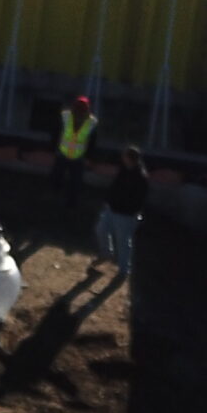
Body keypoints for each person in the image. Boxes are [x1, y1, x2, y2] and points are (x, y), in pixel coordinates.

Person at [97, 145, 149, 278]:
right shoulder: (124, 170)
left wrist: (131, 212)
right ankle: (106, 254)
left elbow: (139, 198)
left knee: (123, 242)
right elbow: (115, 187)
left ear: (130, 159)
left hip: (125, 214)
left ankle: (124, 269)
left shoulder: (140, 177)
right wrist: (108, 201)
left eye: (125, 155)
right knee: (101, 230)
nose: (122, 157)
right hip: (113, 208)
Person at [51, 93, 96, 205]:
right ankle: (56, 197)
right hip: (64, 153)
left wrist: (89, 157)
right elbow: (56, 133)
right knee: (57, 178)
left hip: (77, 156)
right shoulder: (66, 116)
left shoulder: (91, 122)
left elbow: (93, 141)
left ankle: (70, 202)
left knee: (75, 183)